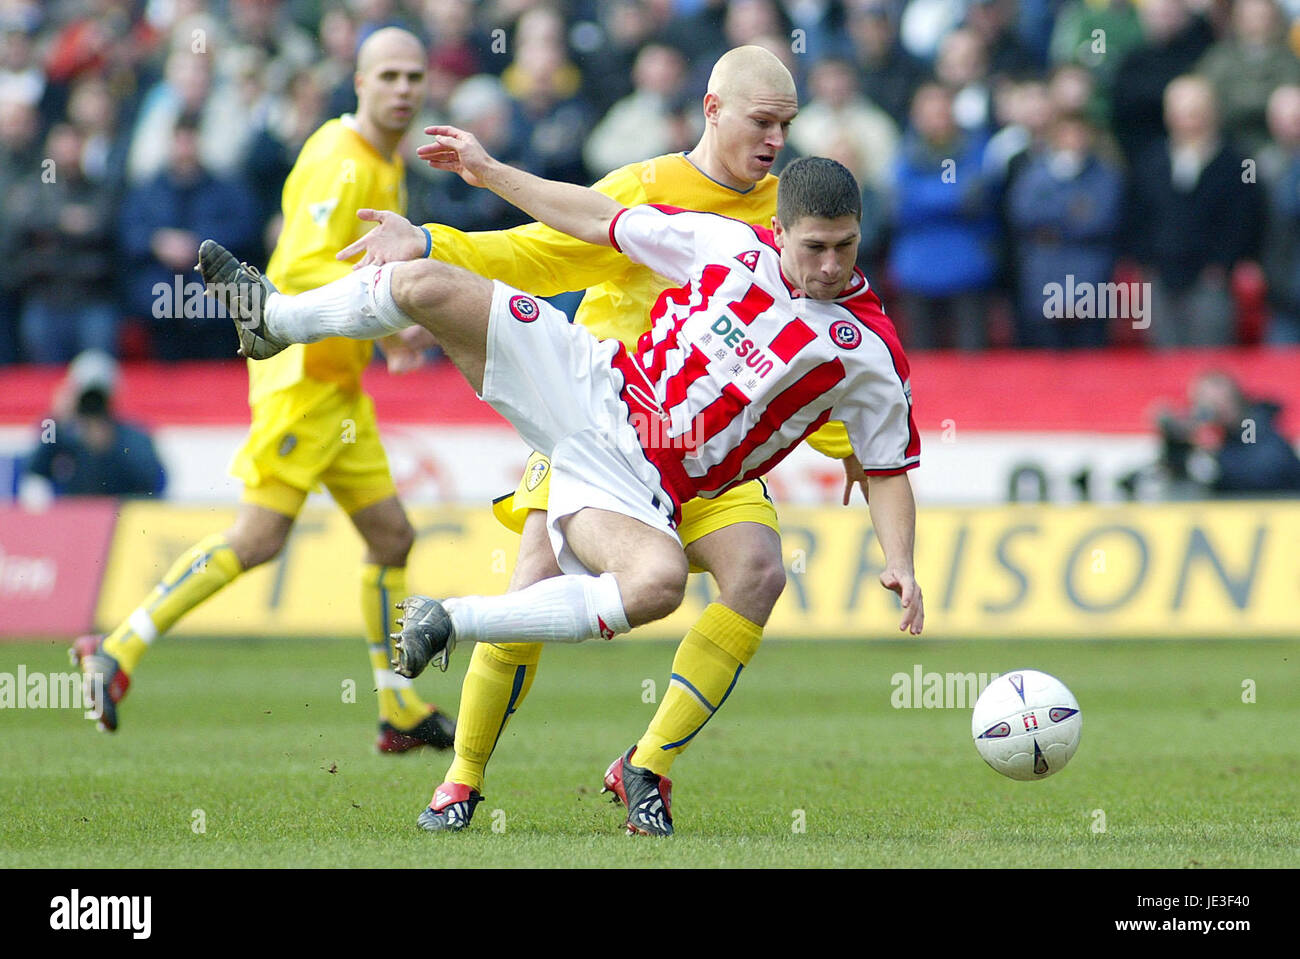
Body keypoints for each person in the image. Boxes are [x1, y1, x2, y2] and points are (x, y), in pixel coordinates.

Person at [198, 138, 925, 838]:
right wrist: (490, 171)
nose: (830, 265)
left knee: (662, 581)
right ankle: (274, 318)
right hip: (591, 383)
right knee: (427, 284)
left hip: (643, 485)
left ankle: (453, 623)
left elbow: (889, 465)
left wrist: (902, 561)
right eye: (814, 247)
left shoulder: (869, 352)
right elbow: (589, 216)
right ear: (778, 231)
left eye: (846, 246)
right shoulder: (725, 242)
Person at [327, 46, 867, 835]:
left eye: (786, 124)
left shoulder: (794, 213)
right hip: (602, 417)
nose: (776, 139)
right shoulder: (645, 189)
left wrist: (848, 437)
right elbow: (541, 255)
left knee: (756, 572)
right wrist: (435, 244)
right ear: (713, 109)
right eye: (762, 121)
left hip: (705, 445)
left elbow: (814, 336)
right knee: (533, 582)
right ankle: (462, 780)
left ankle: (646, 764)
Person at [73, 28, 456, 755]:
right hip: (302, 380)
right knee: (257, 538)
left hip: (339, 388)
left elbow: (359, 277)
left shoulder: (383, 161)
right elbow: (301, 276)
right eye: (390, 76)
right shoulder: (341, 162)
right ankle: (117, 647)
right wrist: (393, 314)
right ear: (359, 82)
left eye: (415, 76)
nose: (405, 89)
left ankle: (396, 708)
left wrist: (389, 333)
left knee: (391, 535)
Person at [21, 350, 165, 502]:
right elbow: (33, 467)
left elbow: (150, 479)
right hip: (74, 518)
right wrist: (54, 419)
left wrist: (111, 446)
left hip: (121, 515)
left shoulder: (135, 435)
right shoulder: (63, 433)